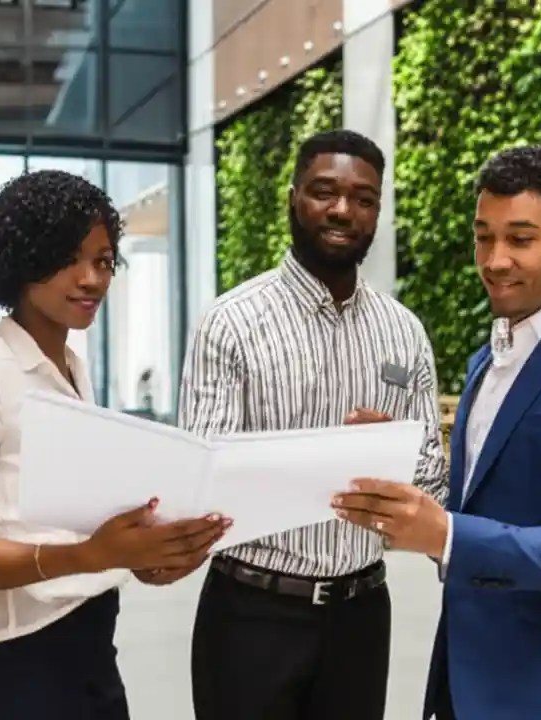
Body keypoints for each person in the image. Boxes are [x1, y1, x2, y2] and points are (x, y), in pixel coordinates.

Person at [332, 146, 541, 719]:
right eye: (483, 236)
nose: (494, 260)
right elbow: (484, 500)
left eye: (520, 239)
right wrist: (399, 467)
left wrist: (448, 535)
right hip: (468, 682)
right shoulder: (485, 361)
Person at [0, 169, 232, 720]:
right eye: (70, 258)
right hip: (11, 664)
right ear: (21, 258)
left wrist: (139, 556)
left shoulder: (70, 369)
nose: (91, 279)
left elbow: (63, 523)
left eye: (104, 261)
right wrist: (91, 555)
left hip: (88, 645)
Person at [179, 129, 448, 720]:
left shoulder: (404, 332)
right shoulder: (232, 323)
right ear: (293, 197)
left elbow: (432, 481)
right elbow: (200, 481)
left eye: (364, 198)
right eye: (324, 191)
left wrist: (396, 449)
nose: (343, 210)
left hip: (361, 612)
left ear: (377, 210)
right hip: (251, 613)